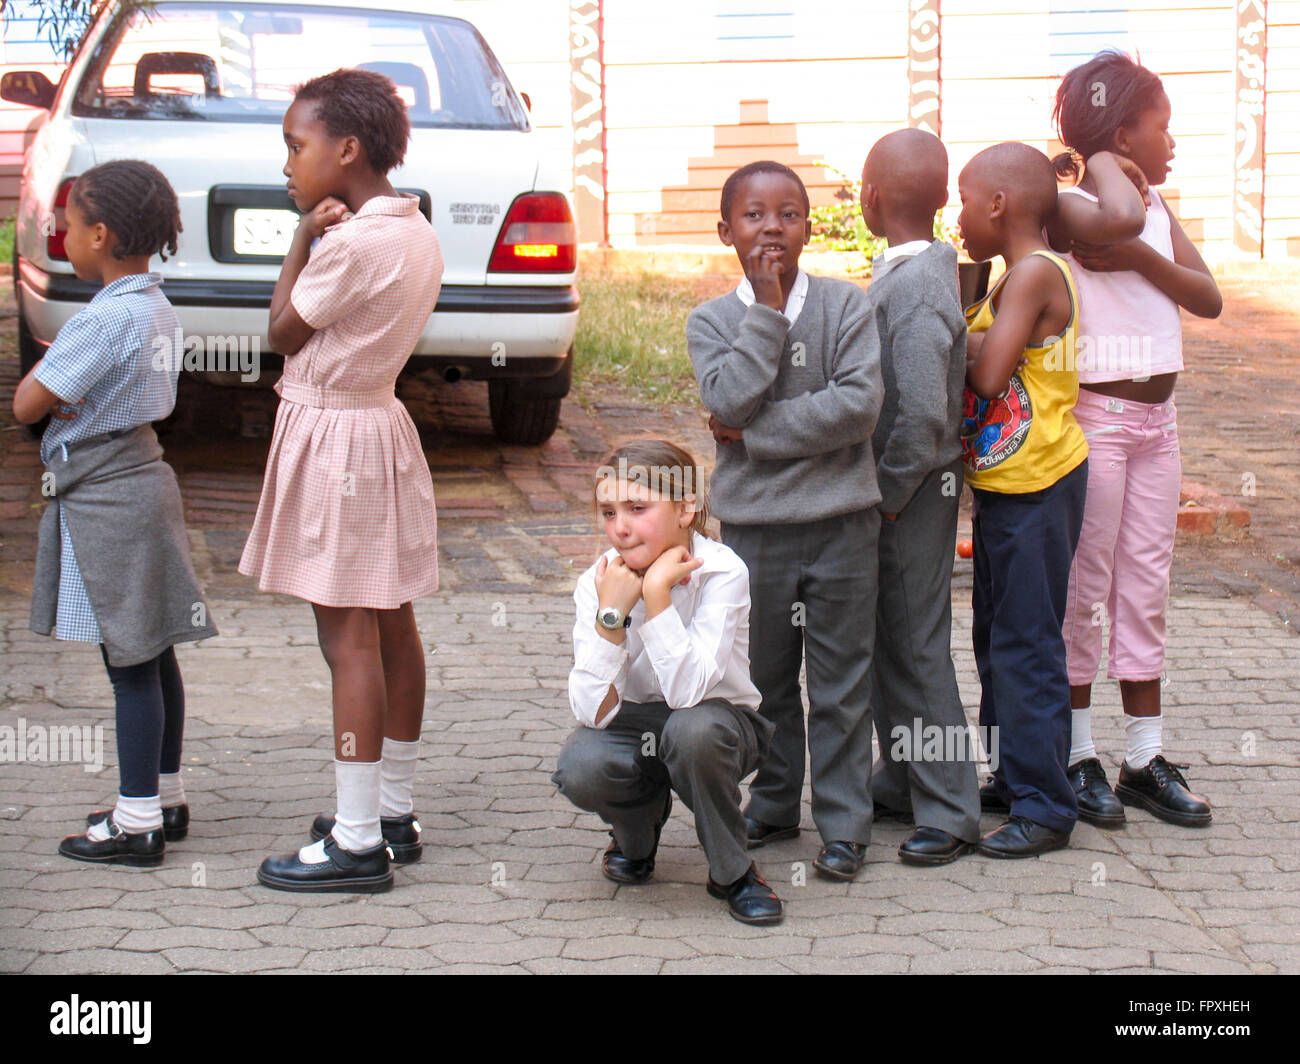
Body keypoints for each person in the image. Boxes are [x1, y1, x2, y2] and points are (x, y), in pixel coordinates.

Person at [240, 69, 443, 892]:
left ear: (347, 149)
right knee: (392, 623)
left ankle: (357, 841)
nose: (288, 165)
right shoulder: (414, 231)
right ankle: (391, 808)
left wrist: (300, 239)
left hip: (337, 439)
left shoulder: (352, 242)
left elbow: (284, 331)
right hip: (381, 428)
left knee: (346, 636)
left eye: (297, 146)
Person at [13, 160, 218, 866]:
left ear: (99, 236)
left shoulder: (101, 319)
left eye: (67, 224)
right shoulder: (157, 306)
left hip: (104, 498)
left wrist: (52, 388)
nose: (57, 232)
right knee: (153, 648)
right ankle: (164, 794)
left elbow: (25, 404)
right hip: (144, 481)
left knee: (128, 663)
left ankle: (136, 825)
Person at [688, 160, 884, 882]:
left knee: (839, 683)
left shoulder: (845, 306)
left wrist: (754, 435)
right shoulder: (712, 321)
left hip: (843, 528)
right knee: (764, 681)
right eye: (753, 215)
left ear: (808, 225)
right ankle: (771, 806)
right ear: (724, 230)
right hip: (755, 534)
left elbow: (859, 407)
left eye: (790, 213)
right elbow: (730, 399)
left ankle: (844, 824)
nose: (773, 226)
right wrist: (765, 312)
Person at [1048, 51, 1222, 828]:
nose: (1173, 143)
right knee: (1087, 589)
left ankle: (1143, 757)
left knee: (1146, 585)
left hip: (1159, 425)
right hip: (1100, 423)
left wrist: (1149, 253)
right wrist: (1109, 169)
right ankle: (1077, 752)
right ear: (1122, 134)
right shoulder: (1076, 206)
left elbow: (1208, 297)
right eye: (1162, 129)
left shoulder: (1153, 210)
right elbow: (1111, 225)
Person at [958, 141, 1145, 857]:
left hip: (1039, 484)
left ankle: (1045, 807)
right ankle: (1014, 776)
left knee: (1026, 644)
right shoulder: (1016, 277)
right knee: (994, 638)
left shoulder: (1035, 274)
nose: (960, 216)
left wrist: (957, 340)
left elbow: (987, 375)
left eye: (967, 202)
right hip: (1011, 485)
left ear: (1000, 205)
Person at [552, 440, 783, 925]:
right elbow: (592, 713)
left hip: (719, 723)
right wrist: (611, 616)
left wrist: (655, 595)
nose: (620, 527)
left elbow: (688, 694)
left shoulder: (723, 571)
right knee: (581, 764)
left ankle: (733, 872)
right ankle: (636, 835)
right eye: (610, 511)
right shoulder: (596, 584)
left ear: (686, 507)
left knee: (692, 732)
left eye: (638, 508)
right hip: (633, 723)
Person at [857, 129, 980, 864]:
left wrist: (892, 494)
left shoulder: (921, 287)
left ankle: (951, 807)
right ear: (940, 199)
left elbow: (926, 414)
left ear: (870, 198)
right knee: (890, 640)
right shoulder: (913, 273)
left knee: (918, 645)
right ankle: (903, 778)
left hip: (913, 490)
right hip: (906, 487)